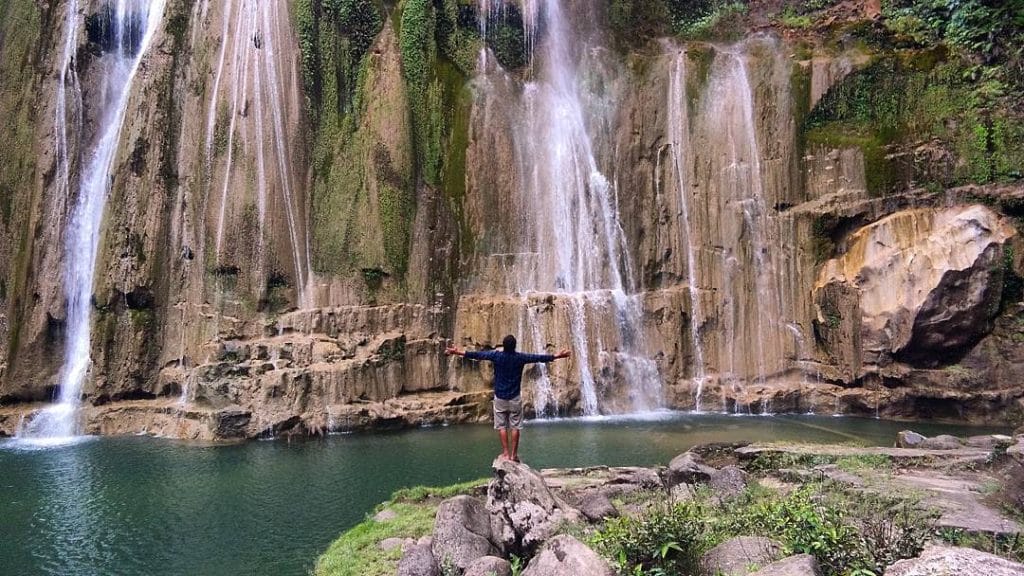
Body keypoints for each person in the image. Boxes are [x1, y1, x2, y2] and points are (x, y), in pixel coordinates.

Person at [446, 335, 570, 463]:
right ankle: (514, 455)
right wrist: (557, 356)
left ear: (504, 346)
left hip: (500, 398)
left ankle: (506, 453)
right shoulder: (520, 357)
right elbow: (538, 358)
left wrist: (457, 352)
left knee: (502, 426)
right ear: (515, 346)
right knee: (515, 427)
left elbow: (477, 355)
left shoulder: (496, 356)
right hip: (514, 397)